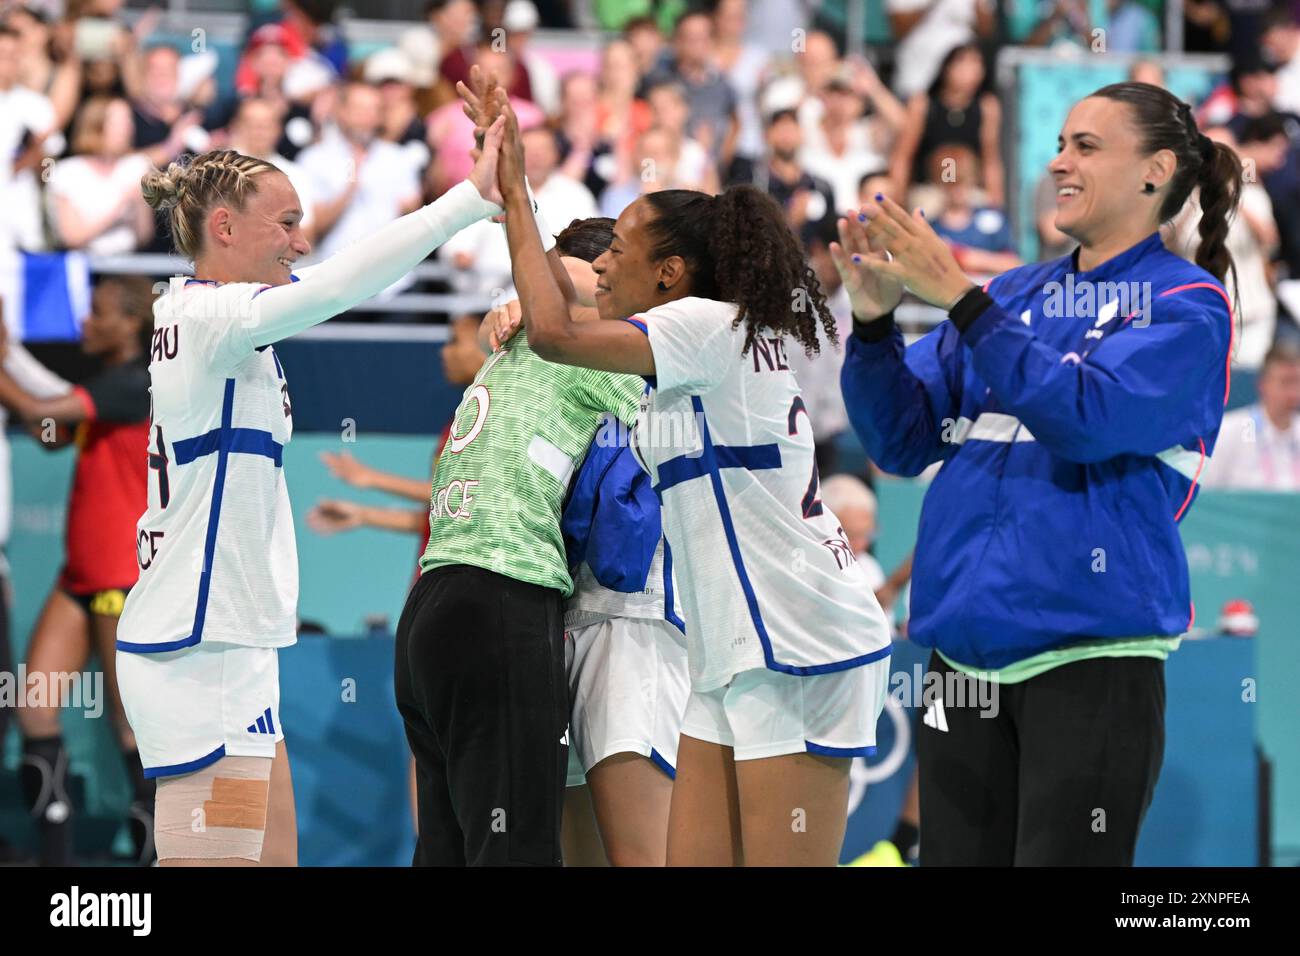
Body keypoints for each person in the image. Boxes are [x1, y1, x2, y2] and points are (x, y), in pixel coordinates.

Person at [481, 80, 894, 867]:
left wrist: (513, 196)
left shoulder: (706, 326)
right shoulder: (690, 352)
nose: (601, 263)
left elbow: (554, 332)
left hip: (799, 642)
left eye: (619, 252)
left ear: (670, 273)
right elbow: (549, 328)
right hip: (727, 650)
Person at [836, 82, 1241, 864]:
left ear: (1156, 171)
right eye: (1060, 143)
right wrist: (876, 325)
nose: (1058, 161)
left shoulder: (1188, 306)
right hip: (961, 657)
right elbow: (902, 441)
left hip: (1090, 653)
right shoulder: (1011, 293)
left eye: (1086, 146)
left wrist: (958, 297)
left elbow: (1084, 417)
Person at [114, 121, 510, 867]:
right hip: (202, 645)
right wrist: (468, 201)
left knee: (275, 855)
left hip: (229, 641)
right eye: (288, 224)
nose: (300, 243)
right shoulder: (210, 317)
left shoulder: (201, 316)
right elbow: (336, 287)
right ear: (224, 227)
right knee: (219, 860)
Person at [0, 276, 154, 866]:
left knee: (129, 729)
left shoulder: (135, 383)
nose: (85, 323)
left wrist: (6, 367)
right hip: (78, 578)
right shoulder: (102, 388)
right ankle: (56, 861)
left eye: (96, 314)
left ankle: (151, 858)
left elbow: (38, 411)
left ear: (128, 325)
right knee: (36, 706)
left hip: (121, 583)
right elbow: (48, 434)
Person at [1200, 343, 1300, 489]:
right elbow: (1204, 493)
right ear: (1263, 384)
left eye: (1297, 382)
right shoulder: (1234, 430)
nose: (1293, 392)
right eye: (1285, 382)